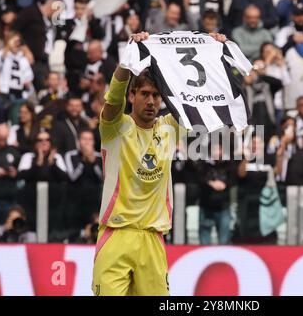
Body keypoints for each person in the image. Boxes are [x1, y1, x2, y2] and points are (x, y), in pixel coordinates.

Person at [92, 31, 227, 296]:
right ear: (132, 96)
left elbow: (195, 94)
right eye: (144, 94)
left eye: (156, 95)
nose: (152, 101)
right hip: (116, 235)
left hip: (153, 238)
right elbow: (112, 100)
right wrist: (127, 63)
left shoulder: (169, 128)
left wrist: (212, 53)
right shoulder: (115, 128)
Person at [64, 129, 103, 242]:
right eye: (84, 139)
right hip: (75, 202)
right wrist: (82, 161)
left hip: (94, 201)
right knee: (74, 233)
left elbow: (102, 178)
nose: (87, 142)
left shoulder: (99, 157)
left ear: (93, 142)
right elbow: (72, 177)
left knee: (94, 232)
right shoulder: (71, 155)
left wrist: (93, 161)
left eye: (90, 139)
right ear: (78, 141)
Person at [196, 143, 235, 245]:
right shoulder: (203, 164)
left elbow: (233, 179)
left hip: (223, 206)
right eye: (215, 149)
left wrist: (224, 184)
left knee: (224, 241)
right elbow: (198, 178)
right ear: (210, 150)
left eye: (219, 149)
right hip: (206, 206)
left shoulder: (228, 163)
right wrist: (211, 183)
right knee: (204, 241)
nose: (217, 152)